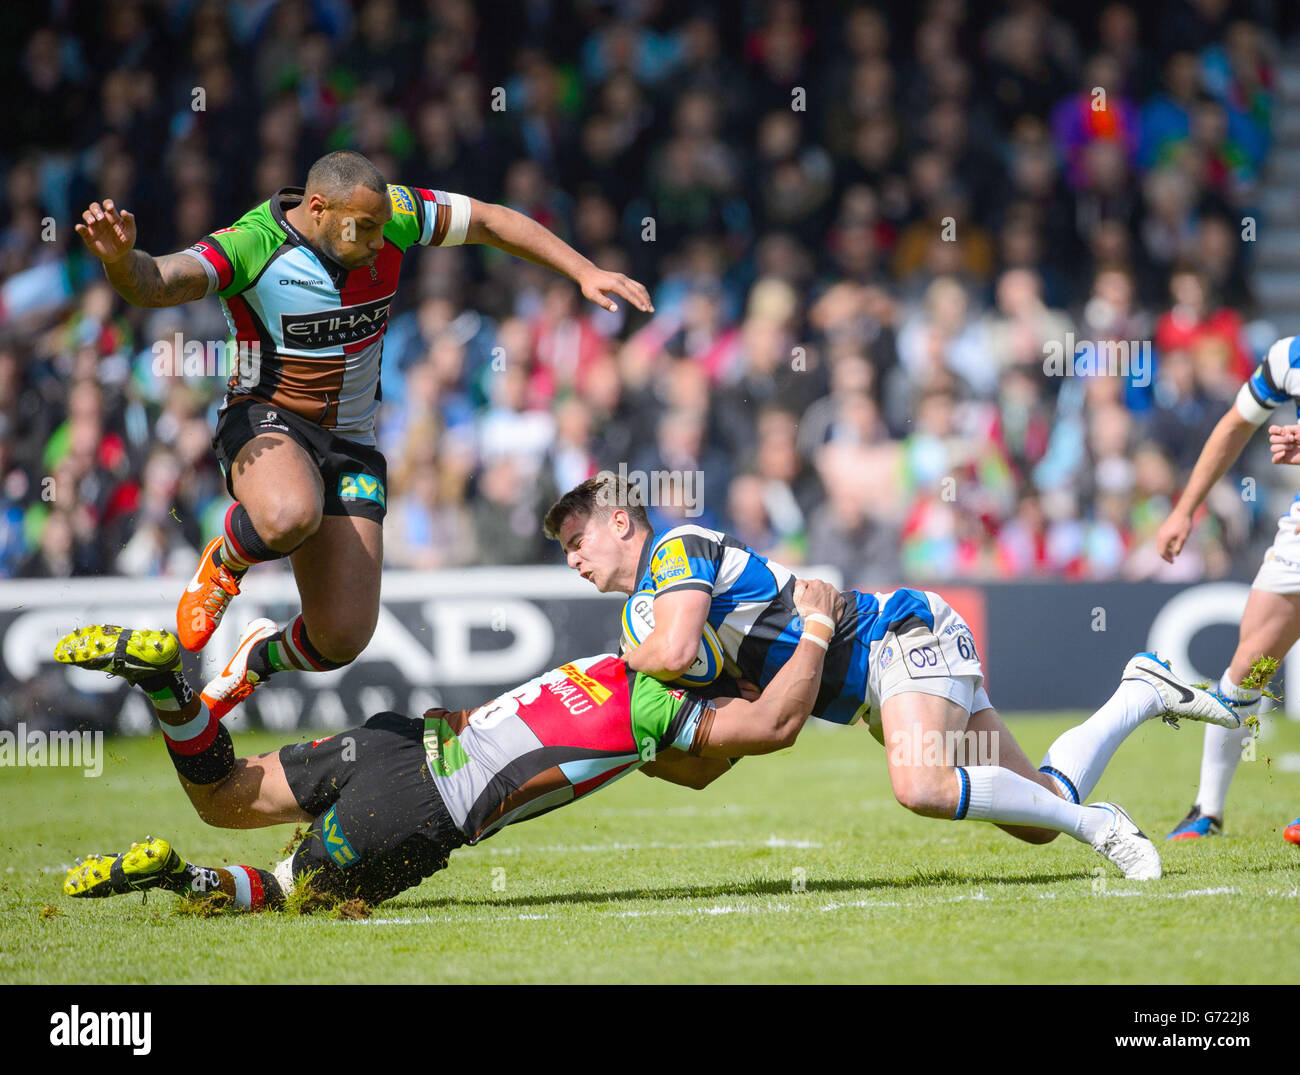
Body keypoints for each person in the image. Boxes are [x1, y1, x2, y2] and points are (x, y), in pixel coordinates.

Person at [74, 150, 653, 721]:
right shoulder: (252, 244)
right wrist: (122, 260)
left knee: (341, 638)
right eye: (366, 229)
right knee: (288, 514)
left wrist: (582, 269)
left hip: (351, 441)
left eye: (383, 227)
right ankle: (227, 559)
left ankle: (253, 660)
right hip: (265, 420)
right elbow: (157, 282)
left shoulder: (392, 212)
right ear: (319, 208)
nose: (381, 241)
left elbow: (490, 220)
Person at [545, 474, 1243, 879]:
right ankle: (1139, 691)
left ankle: (1102, 826)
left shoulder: (674, 550)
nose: (574, 559)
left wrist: (622, 664)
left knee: (922, 784)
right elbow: (715, 755)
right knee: (1040, 813)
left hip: (897, 637)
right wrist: (646, 745)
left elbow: (668, 652)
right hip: (880, 684)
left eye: (579, 541)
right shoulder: (653, 604)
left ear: (619, 520)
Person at [56, 576, 841, 909]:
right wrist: (816, 625)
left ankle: (170, 688)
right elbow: (772, 726)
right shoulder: (651, 710)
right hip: (422, 806)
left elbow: (690, 774)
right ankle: (175, 875)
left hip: (401, 741)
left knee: (225, 795)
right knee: (292, 893)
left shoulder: (610, 664)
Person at [1155, 334, 1300, 844]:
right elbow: (1236, 425)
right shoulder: (1289, 357)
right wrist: (1185, 508)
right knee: (1250, 666)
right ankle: (1206, 811)